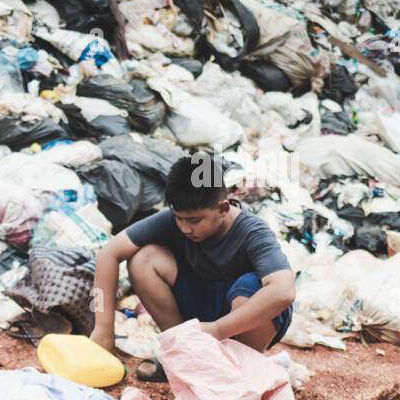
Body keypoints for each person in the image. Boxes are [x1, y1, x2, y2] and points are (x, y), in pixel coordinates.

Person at [89, 152, 295, 380]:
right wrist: (102, 327)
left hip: (240, 319)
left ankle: (236, 368)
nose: (185, 228)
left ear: (223, 209)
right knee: (143, 259)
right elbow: (108, 253)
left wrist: (218, 329)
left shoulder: (253, 232)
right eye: (179, 218)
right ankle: (184, 354)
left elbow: (284, 291)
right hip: (202, 305)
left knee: (250, 287)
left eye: (195, 221)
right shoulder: (175, 220)